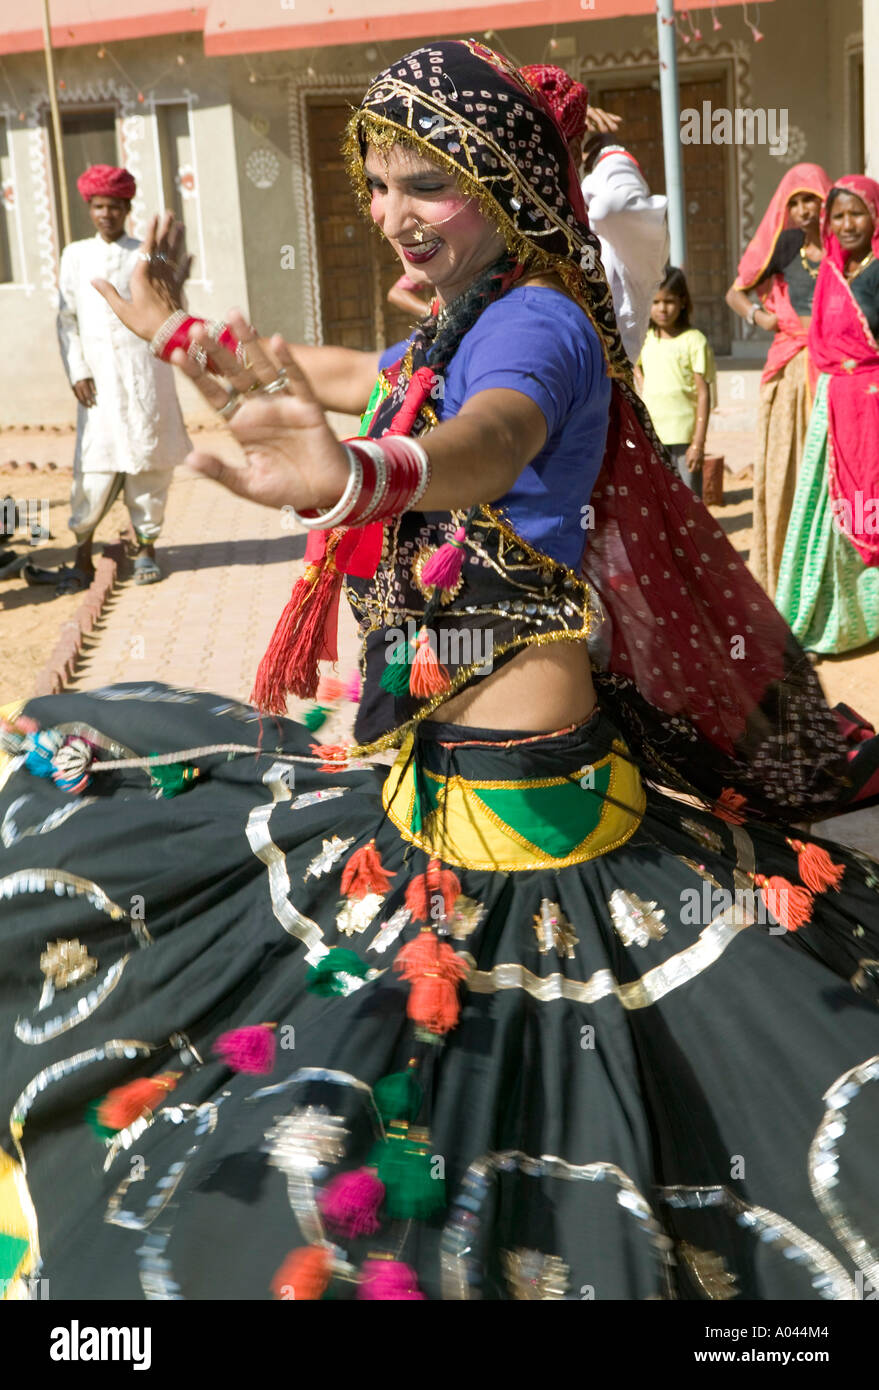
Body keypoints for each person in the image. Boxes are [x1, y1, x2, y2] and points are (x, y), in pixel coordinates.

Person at [2, 41, 879, 1304]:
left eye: (429, 185)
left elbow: (488, 436)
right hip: (420, 797)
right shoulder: (465, 314)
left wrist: (359, 475)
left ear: (503, 181)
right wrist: (178, 332)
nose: (390, 214)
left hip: (539, 828)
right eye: (377, 184)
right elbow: (332, 374)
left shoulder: (538, 322)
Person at [34, 164, 191, 594]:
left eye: (115, 207)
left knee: (149, 464)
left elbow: (173, 306)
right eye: (100, 207)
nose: (107, 214)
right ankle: (81, 554)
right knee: (94, 470)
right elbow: (66, 320)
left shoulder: (146, 252)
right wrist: (78, 371)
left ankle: (146, 550)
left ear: (126, 209)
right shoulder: (75, 255)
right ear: (90, 209)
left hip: (146, 376)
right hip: (98, 383)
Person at [774, 176, 879, 658]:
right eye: (838, 215)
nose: (847, 223)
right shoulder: (833, 273)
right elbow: (820, 345)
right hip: (833, 409)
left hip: (873, 405)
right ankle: (829, 623)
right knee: (829, 515)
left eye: (857, 212)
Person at [725, 165, 831, 598]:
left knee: (830, 472)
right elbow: (737, 291)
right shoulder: (783, 246)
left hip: (834, 369)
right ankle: (791, 575)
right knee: (793, 467)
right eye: (796, 202)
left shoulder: (848, 245)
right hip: (791, 373)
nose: (805, 210)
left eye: (812, 200)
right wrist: (758, 316)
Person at [520, 63, 669, 365]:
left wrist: (607, 150)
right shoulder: (509, 226)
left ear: (575, 151)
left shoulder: (620, 244)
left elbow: (613, 206)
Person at [635, 268, 715, 496]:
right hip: (653, 434)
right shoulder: (645, 339)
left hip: (685, 437)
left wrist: (698, 443)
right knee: (659, 498)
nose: (662, 308)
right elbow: (635, 364)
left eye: (669, 301)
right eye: (656, 301)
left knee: (689, 499)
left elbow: (703, 394)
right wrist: (642, 382)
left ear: (682, 302)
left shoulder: (694, 341)